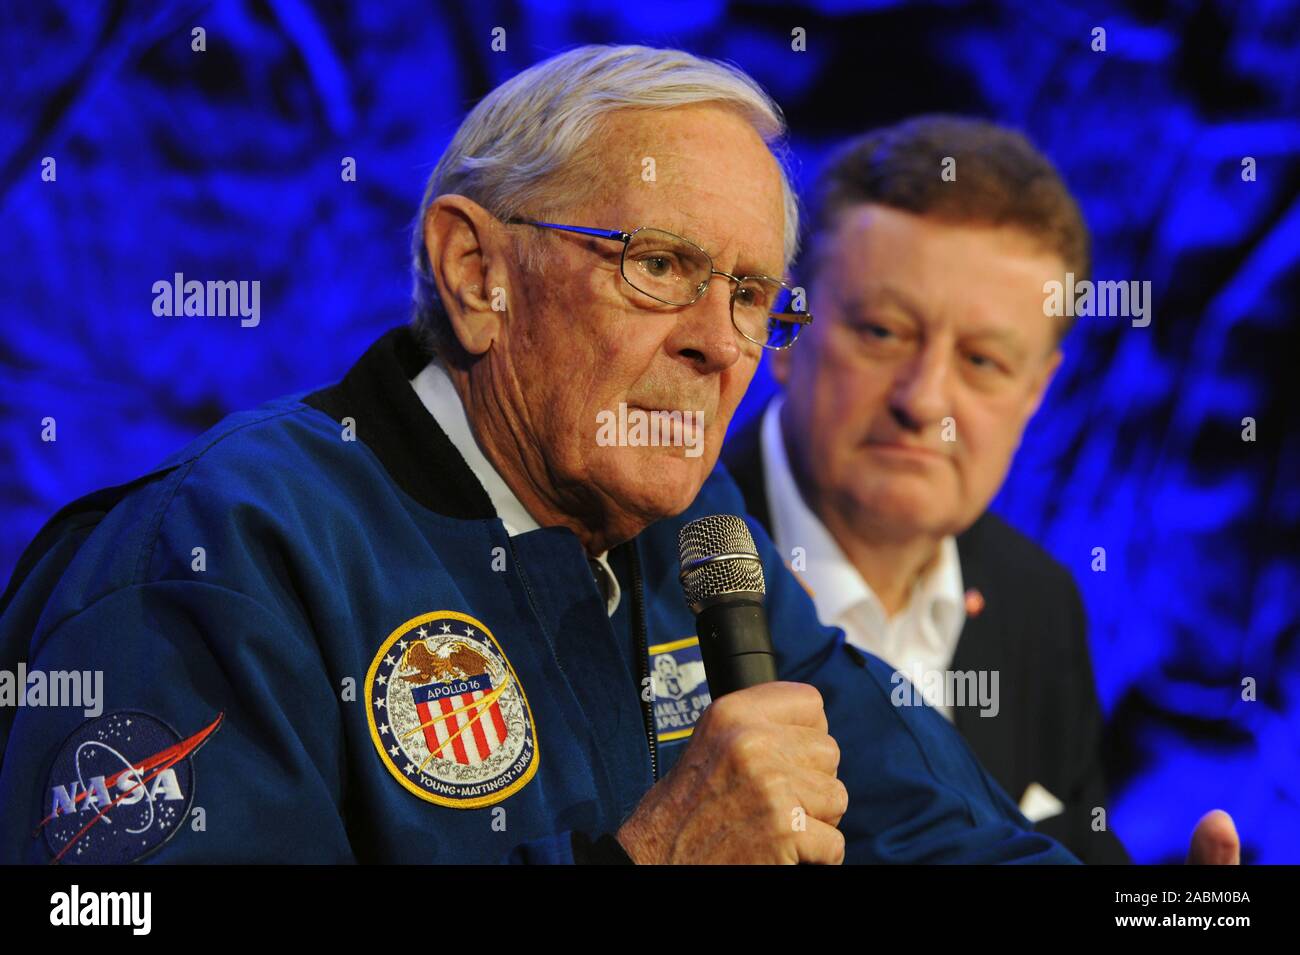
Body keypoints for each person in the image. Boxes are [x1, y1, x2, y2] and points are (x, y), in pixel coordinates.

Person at [723, 115, 1239, 864]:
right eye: (883, 332)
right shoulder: (651, 556)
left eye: (984, 361)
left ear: (1037, 391)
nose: (924, 399)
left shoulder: (1041, 605)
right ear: (787, 324)